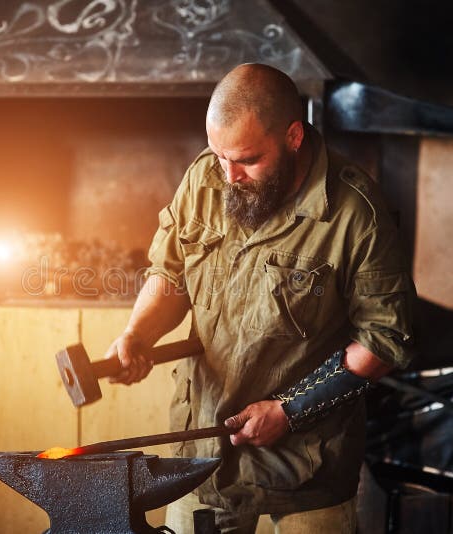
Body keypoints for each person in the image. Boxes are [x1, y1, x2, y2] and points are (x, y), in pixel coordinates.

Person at [104, 63, 416, 533]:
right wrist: (137, 333)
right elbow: (169, 274)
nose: (229, 175)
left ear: (293, 136)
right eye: (219, 156)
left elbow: (384, 340)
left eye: (247, 159)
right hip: (202, 455)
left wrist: (290, 411)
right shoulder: (206, 179)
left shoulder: (356, 215)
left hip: (304, 472)